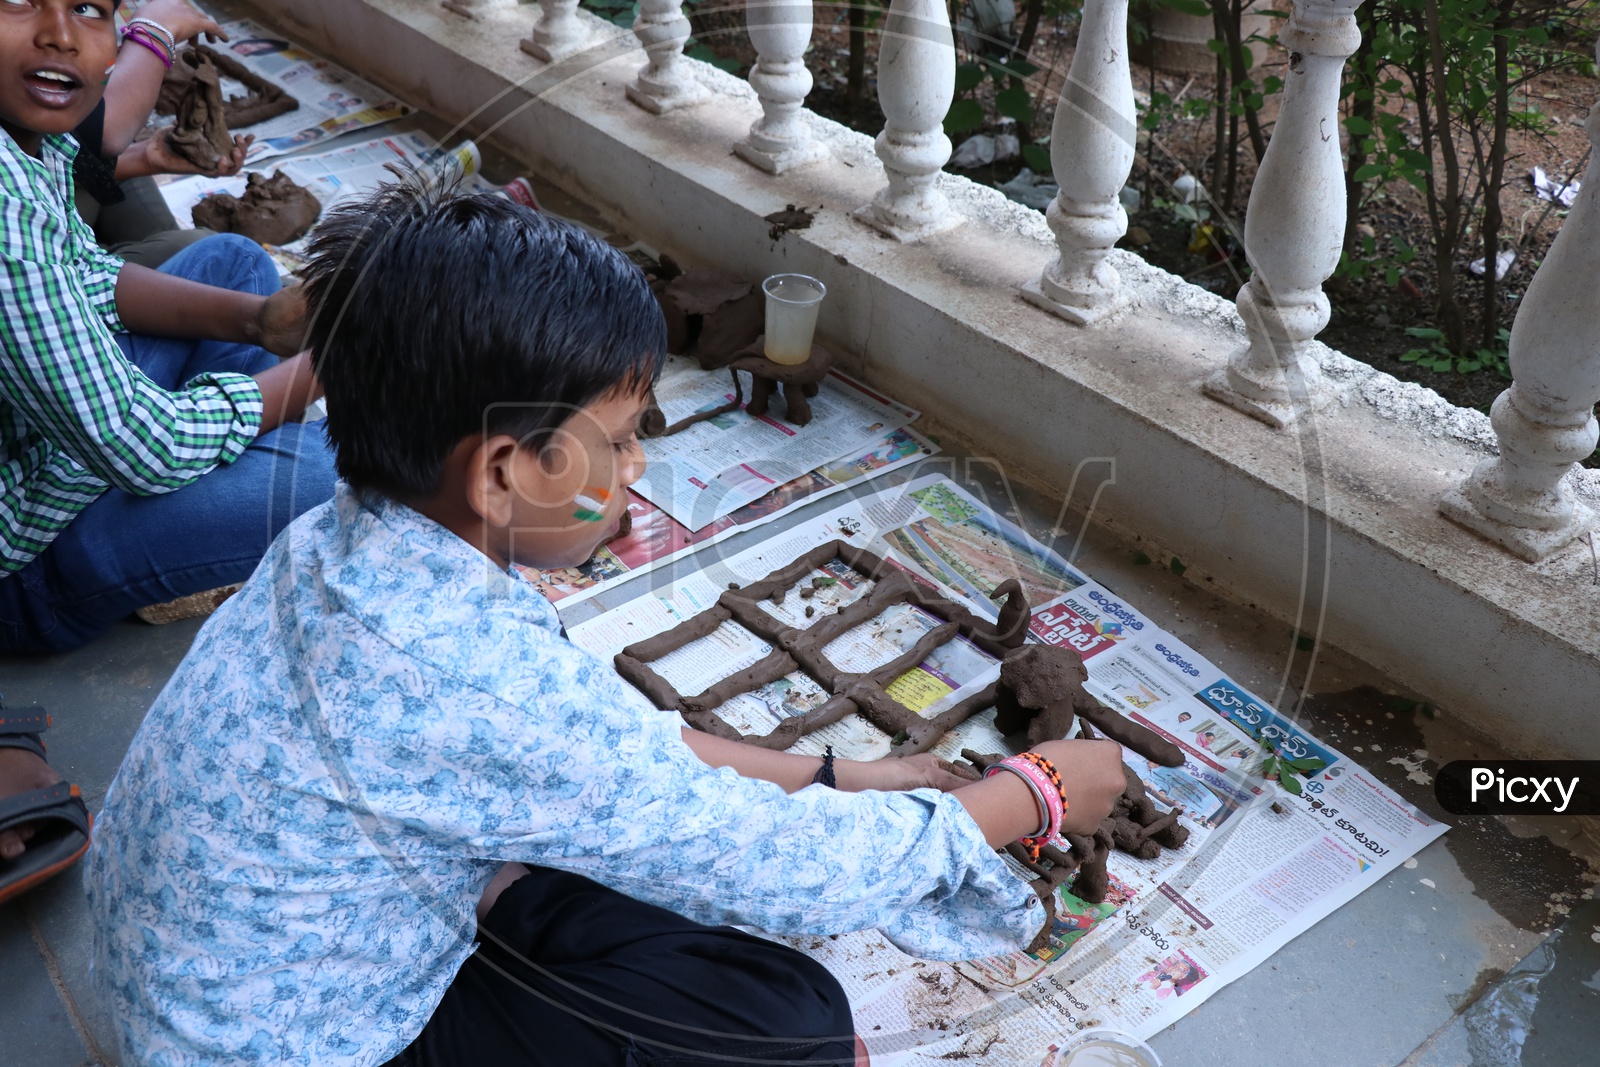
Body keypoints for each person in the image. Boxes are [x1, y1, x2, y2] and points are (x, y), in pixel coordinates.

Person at [83, 184, 1129, 1066]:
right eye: (620, 439)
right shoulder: (467, 674)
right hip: (303, 1041)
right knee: (789, 1022)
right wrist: (1029, 795)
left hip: (232, 981)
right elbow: (783, 871)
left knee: (663, 892)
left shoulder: (338, 541)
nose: (636, 467)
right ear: (502, 473)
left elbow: (625, 751)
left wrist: (843, 773)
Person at [0, 0, 335, 902]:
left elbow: (84, 275)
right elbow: (141, 445)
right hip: (21, 560)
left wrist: (259, 322)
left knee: (235, 266)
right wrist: (323, 370)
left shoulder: (27, 150)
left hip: (54, 448)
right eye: (20, 1)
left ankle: (212, 503)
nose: (60, 34)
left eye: (90, 9)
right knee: (328, 470)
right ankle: (178, 536)